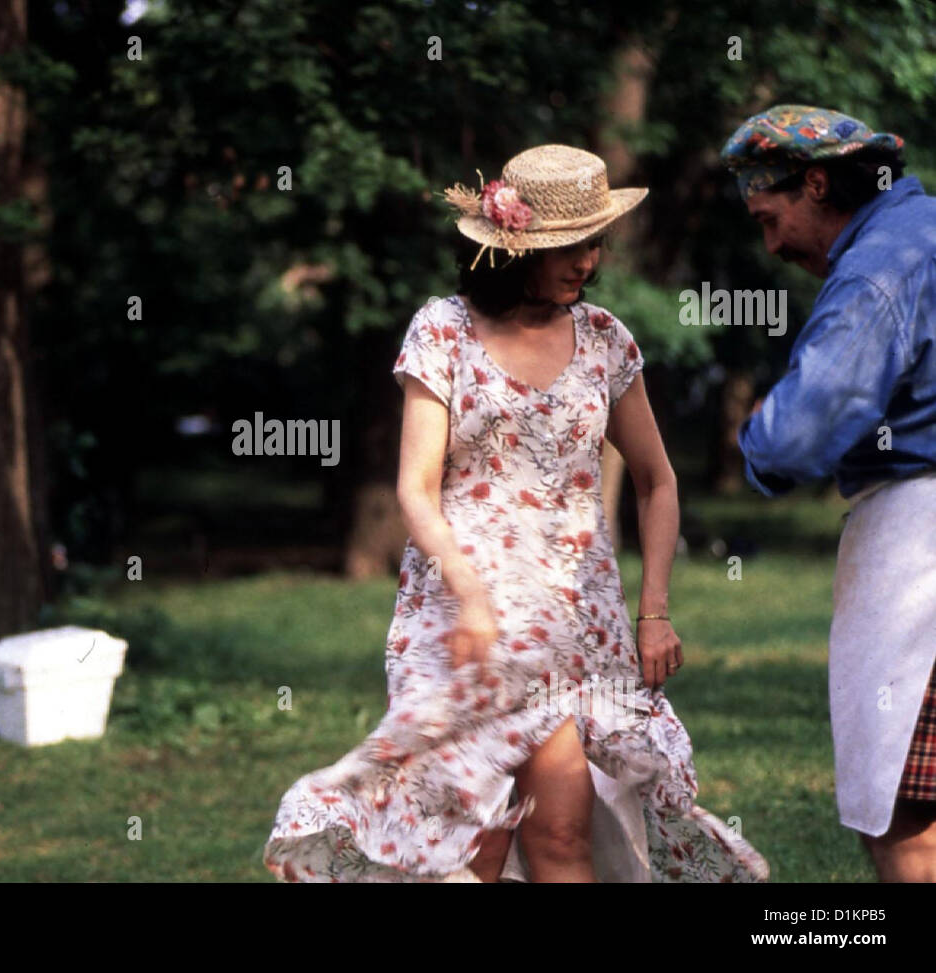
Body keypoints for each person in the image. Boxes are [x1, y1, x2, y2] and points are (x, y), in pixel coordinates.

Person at [263, 145, 769, 882]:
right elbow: (416, 486)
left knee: (562, 830)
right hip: (464, 620)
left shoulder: (603, 340)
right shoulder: (444, 331)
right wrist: (468, 596)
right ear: (513, 249)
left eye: (595, 243)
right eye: (569, 247)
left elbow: (658, 481)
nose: (587, 262)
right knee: (474, 840)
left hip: (571, 623)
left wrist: (653, 611)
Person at [724, 105, 936, 881]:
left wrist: (759, 439)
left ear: (815, 184)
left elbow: (805, 428)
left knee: (906, 816)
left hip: (920, 541)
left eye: (769, 216)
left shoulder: (882, 264)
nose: (772, 243)